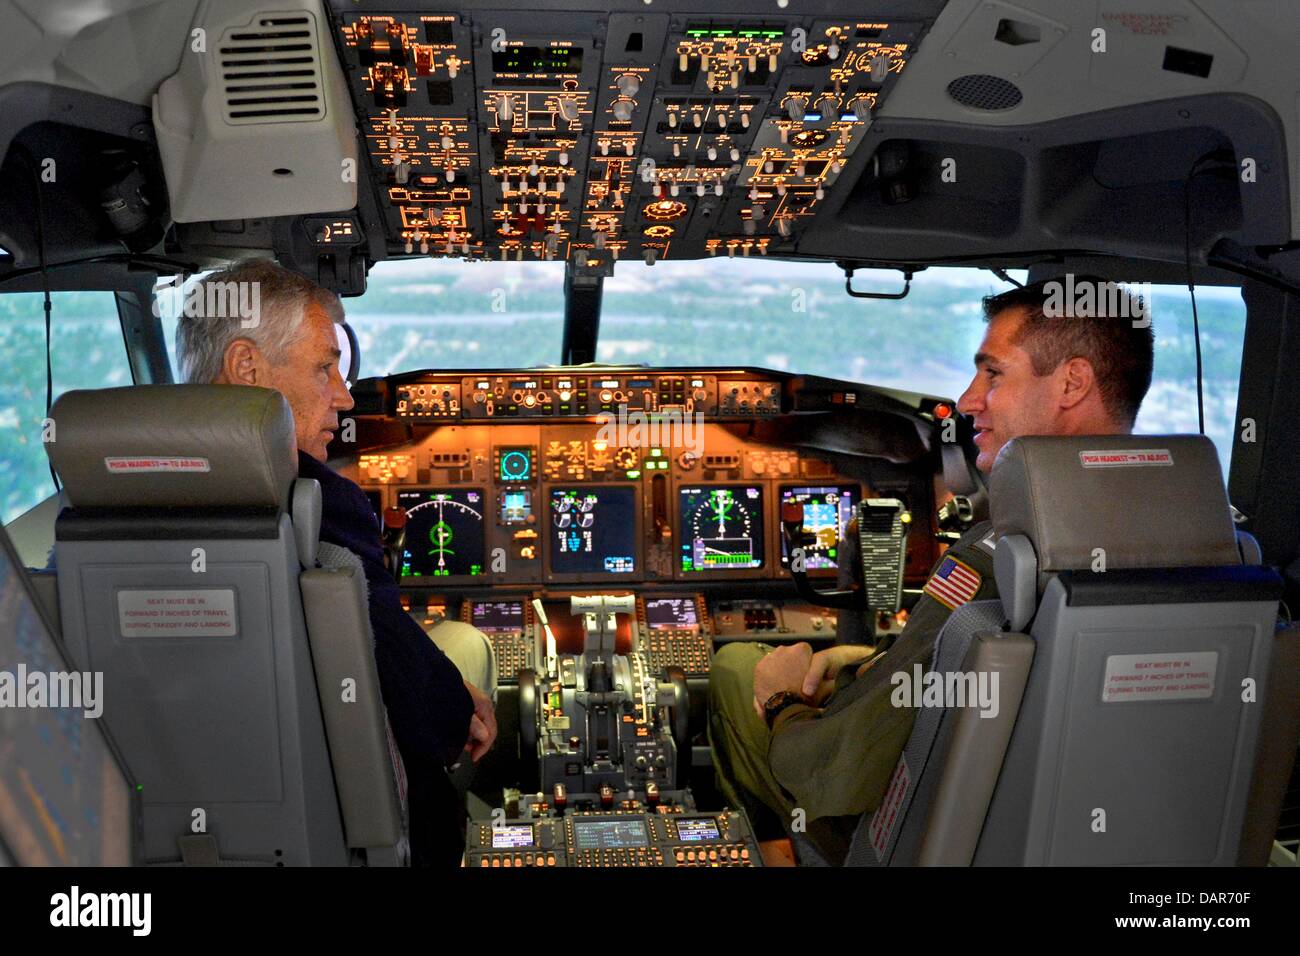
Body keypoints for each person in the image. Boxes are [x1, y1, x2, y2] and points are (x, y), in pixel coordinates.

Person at [708, 276, 1155, 861]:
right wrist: (872, 663)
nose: (969, 400)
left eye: (994, 373)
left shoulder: (1000, 556)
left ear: (1071, 382)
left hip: (915, 834)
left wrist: (782, 701)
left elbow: (841, 768)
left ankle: (779, 848)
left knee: (740, 665)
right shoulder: (1211, 546)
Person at [175, 258, 496, 866]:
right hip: (347, 831)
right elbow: (426, 714)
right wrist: (461, 702)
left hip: (176, 826)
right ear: (247, 367)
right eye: (325, 367)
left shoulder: (99, 510)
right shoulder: (319, 506)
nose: (345, 396)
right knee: (465, 649)